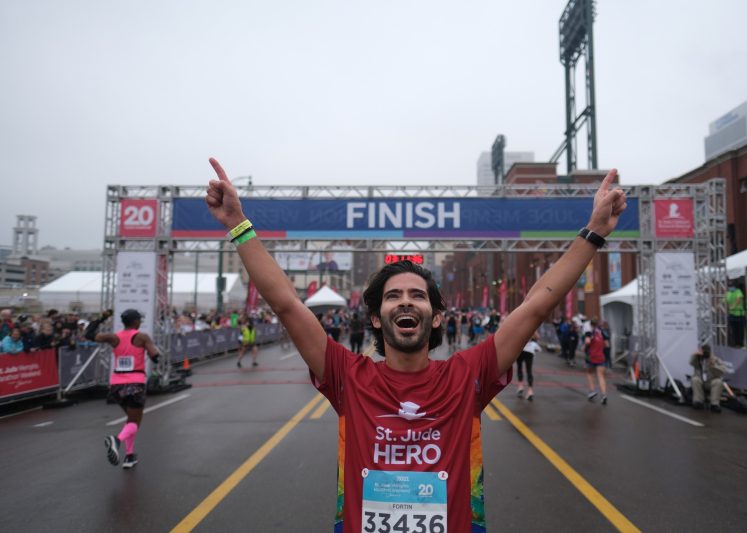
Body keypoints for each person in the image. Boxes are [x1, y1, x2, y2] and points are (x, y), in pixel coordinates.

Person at [205, 157, 626, 532]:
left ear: (437, 316)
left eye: (417, 295)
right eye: (393, 296)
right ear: (375, 317)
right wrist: (238, 225)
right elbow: (286, 304)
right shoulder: (347, 376)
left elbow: (536, 305)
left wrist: (595, 233)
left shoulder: (468, 375)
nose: (405, 300)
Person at [84, 309, 161, 469]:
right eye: (139, 319)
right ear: (135, 322)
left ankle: (129, 456)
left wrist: (102, 317)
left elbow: (89, 334)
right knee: (135, 422)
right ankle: (116, 441)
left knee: (130, 421)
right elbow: (155, 356)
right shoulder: (142, 337)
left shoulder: (114, 337)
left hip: (116, 386)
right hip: (135, 383)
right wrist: (154, 355)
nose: (140, 322)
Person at [689, 344, 726, 412]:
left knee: (718, 382)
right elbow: (691, 362)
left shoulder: (715, 359)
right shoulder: (697, 359)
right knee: (695, 379)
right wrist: (695, 355)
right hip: (701, 380)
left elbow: (723, 370)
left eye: (707, 352)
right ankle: (698, 402)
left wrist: (713, 365)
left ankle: (714, 404)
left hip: (711, 381)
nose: (705, 354)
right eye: (704, 352)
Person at [584, 318, 608, 404]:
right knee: (601, 376)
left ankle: (592, 391)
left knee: (589, 373)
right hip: (601, 356)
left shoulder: (589, 332)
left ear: (591, 325)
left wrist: (585, 347)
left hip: (591, 356)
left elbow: (587, 342)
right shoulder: (602, 333)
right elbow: (607, 344)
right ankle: (604, 395)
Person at [515, 335, 541, 401]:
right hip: (530, 350)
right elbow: (537, 338)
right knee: (529, 370)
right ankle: (530, 391)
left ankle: (520, 386)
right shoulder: (533, 329)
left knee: (519, 367)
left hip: (521, 348)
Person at [726, 282, 745, 347]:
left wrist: (734, 306)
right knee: (733, 330)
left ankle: (740, 343)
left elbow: (739, 298)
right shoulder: (728, 293)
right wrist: (718, 304)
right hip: (732, 314)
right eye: (729, 286)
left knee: (740, 330)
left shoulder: (738, 291)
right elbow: (724, 299)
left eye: (731, 286)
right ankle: (735, 343)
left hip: (739, 314)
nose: (730, 287)